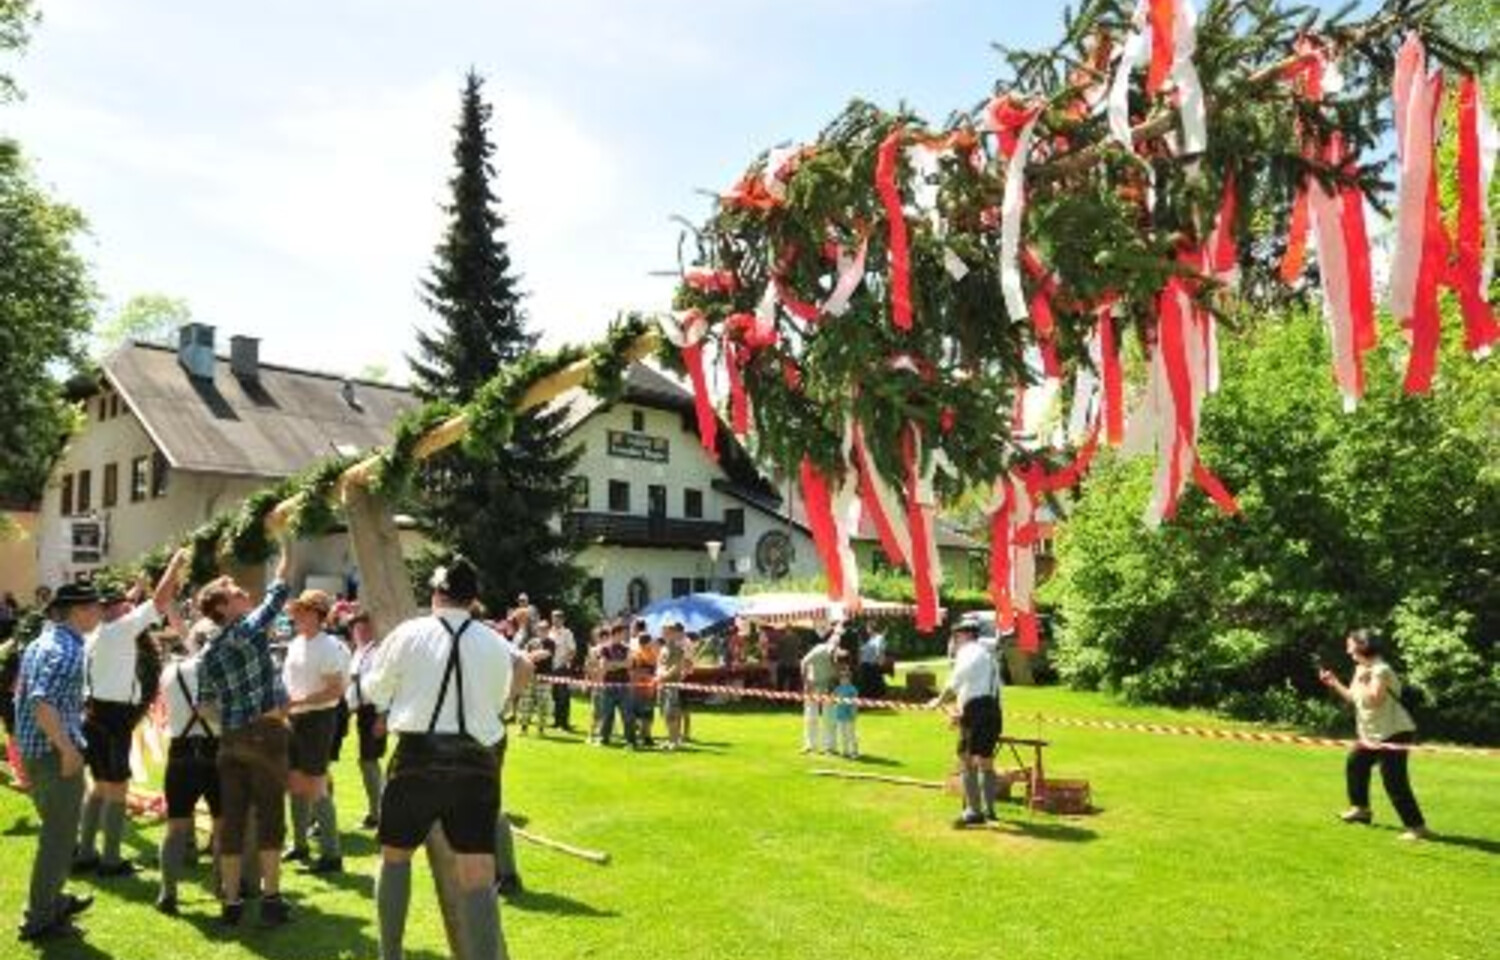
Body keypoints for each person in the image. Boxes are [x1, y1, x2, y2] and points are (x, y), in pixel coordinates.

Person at [363, 556, 513, 960]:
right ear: (473, 599)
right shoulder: (496, 642)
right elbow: (496, 702)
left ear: (436, 593)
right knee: (478, 874)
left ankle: (389, 955)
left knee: (394, 858)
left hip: (417, 758)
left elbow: (375, 691)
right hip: (477, 763)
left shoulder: (408, 633)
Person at [195, 544, 294, 927]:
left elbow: (205, 707)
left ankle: (232, 903)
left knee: (232, 821)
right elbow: (280, 587)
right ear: (222, 608)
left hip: (231, 739)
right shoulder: (248, 630)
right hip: (264, 735)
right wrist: (286, 544)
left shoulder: (206, 654)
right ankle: (271, 901)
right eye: (235, 592)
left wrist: (236, 718)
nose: (243, 593)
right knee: (271, 819)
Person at [75, 551, 188, 878]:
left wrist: (136, 589)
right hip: (114, 719)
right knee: (117, 789)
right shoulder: (119, 630)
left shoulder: (96, 633)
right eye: (123, 604)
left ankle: (85, 852)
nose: (129, 605)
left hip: (95, 714)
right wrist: (175, 565)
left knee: (98, 787)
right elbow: (161, 598)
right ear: (111, 610)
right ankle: (110, 860)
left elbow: (135, 604)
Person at [15, 584, 103, 942]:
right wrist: (67, 749)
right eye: (95, 607)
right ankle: (40, 917)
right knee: (58, 838)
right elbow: (41, 703)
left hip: (38, 752)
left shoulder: (42, 642)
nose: (99, 613)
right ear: (78, 611)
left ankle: (52, 902)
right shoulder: (65, 650)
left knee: (60, 834)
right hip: (54, 755)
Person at [1319, 629, 1430, 841]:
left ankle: (1417, 828)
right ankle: (1361, 810)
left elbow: (1375, 700)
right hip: (1372, 733)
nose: (1347, 648)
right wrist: (1334, 682)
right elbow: (1353, 698)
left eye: (1350, 644)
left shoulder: (1381, 669)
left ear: (1362, 645)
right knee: (1356, 764)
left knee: (1394, 780)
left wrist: (1364, 680)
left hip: (1394, 732)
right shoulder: (1362, 668)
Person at [155, 620, 222, 916]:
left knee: (175, 828)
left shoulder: (170, 671)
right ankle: (222, 884)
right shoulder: (219, 671)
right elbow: (219, 715)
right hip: (214, 750)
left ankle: (167, 892)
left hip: (180, 750)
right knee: (222, 825)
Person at [280, 589, 349, 874]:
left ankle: (332, 855)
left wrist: (301, 701)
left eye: (303, 611)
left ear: (317, 615)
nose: (296, 616)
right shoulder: (296, 642)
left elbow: (336, 690)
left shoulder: (329, 646)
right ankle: (300, 845)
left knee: (316, 784)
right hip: (295, 719)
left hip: (318, 719)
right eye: (296, 611)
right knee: (295, 782)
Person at [928, 623, 1003, 827]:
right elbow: (988, 688)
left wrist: (939, 701)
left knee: (966, 759)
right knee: (986, 761)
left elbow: (956, 680)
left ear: (964, 636)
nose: (954, 641)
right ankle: (990, 812)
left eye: (955, 637)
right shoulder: (987, 655)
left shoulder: (968, 651)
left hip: (976, 710)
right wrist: (958, 712)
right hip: (993, 710)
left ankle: (974, 812)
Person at [345, 611, 388, 830]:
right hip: (362, 712)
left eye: (364, 628)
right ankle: (377, 810)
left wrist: (382, 717)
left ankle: (378, 812)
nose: (360, 632)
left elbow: (382, 688)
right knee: (366, 761)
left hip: (373, 711)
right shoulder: (359, 652)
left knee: (369, 761)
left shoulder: (378, 652)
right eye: (356, 629)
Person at [800, 628, 840, 754]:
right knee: (811, 717)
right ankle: (810, 745)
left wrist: (834, 683)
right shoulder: (818, 650)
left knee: (830, 717)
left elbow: (838, 671)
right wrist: (806, 683)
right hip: (813, 685)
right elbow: (803, 663)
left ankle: (830, 747)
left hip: (829, 686)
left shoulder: (838, 653)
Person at [596, 622, 633, 747]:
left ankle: (630, 740)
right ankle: (604, 739)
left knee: (627, 715)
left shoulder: (627, 648)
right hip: (608, 686)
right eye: (623, 633)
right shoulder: (605, 648)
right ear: (616, 633)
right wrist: (620, 664)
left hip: (624, 686)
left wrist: (613, 664)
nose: (625, 635)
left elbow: (629, 664)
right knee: (607, 715)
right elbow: (603, 666)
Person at [656, 621, 689, 750]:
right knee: (664, 712)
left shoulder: (678, 649)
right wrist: (658, 675)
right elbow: (659, 665)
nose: (664, 635)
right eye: (663, 632)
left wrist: (663, 676)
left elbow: (676, 667)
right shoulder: (663, 648)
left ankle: (675, 741)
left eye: (667, 632)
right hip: (662, 684)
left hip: (672, 685)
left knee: (672, 714)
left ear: (674, 634)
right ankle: (670, 739)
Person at [629, 624, 659, 748]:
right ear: (646, 643)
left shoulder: (648, 654)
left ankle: (645, 736)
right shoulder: (638, 655)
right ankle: (643, 737)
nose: (652, 644)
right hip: (641, 688)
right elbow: (633, 672)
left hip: (646, 688)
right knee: (642, 714)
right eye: (650, 642)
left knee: (644, 714)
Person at [547, 610, 576, 732]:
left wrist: (563, 664)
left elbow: (572, 651)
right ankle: (556, 721)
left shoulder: (567, 633)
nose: (555, 620)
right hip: (551, 668)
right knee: (554, 696)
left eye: (558, 618)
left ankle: (564, 723)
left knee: (563, 696)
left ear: (563, 620)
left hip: (562, 668)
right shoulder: (550, 632)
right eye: (554, 618)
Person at [832, 663, 860, 759]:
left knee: (851, 733)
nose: (843, 679)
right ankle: (845, 751)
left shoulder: (853, 689)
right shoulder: (837, 689)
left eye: (845, 677)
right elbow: (833, 699)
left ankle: (854, 751)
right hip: (840, 715)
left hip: (849, 715)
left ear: (849, 678)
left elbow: (855, 702)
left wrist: (854, 712)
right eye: (841, 677)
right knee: (842, 733)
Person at [857, 628, 888, 699]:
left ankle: (870, 695)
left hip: (868, 665)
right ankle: (875, 695)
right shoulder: (870, 644)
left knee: (868, 682)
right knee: (873, 682)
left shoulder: (864, 645)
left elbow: (860, 656)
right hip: (871, 665)